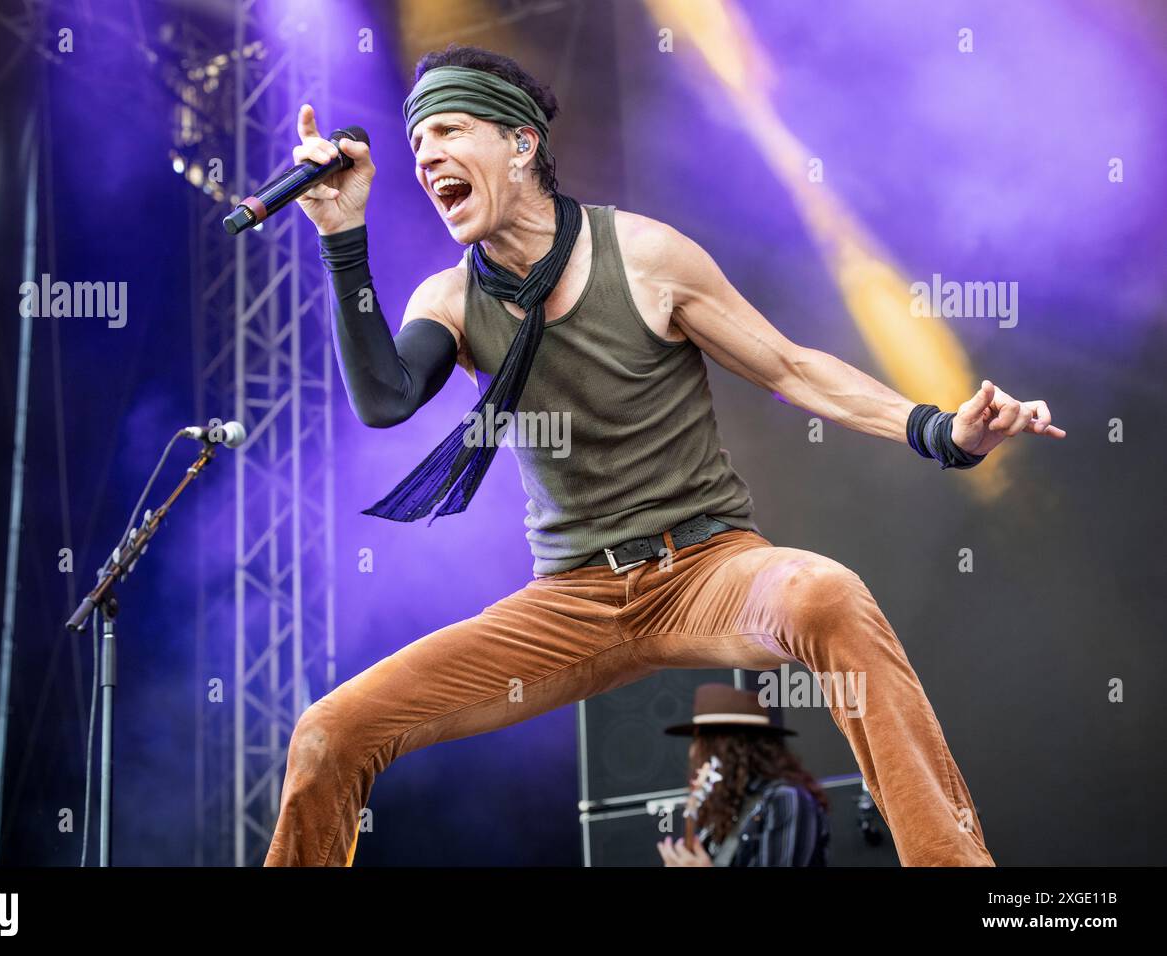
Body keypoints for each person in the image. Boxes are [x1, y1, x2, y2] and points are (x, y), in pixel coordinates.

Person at [265, 44, 1064, 867]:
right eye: (418, 140)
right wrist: (340, 233)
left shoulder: (646, 256)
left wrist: (942, 430)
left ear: (521, 143)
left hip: (707, 568)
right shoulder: (452, 299)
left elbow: (790, 368)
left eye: (451, 129)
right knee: (329, 732)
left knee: (827, 595)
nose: (427, 154)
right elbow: (386, 398)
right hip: (572, 602)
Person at [656, 684, 828, 867]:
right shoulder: (726, 807)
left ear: (730, 750)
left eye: (701, 741)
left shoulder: (785, 800)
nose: (693, 752)